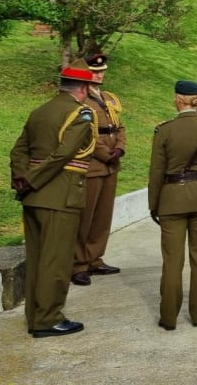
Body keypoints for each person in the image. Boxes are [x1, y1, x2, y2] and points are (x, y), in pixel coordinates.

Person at [9, 59, 97, 338]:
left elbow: (18, 150)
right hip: (61, 195)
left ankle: (35, 316)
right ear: (83, 88)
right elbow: (63, 154)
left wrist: (22, 178)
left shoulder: (40, 111)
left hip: (33, 197)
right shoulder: (81, 114)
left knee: (37, 259)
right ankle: (48, 319)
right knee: (56, 260)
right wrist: (32, 179)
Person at [149, 80, 197, 330]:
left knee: (172, 261)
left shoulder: (164, 131)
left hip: (172, 199)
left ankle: (169, 317)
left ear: (178, 100)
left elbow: (156, 172)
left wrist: (154, 205)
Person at [71, 54, 125, 287]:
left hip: (111, 165)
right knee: (86, 217)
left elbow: (119, 127)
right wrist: (105, 154)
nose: (100, 75)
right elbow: (86, 134)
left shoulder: (108, 98)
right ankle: (78, 264)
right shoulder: (81, 101)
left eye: (102, 71)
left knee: (103, 216)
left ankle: (95, 258)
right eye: (95, 72)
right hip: (93, 165)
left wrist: (120, 148)